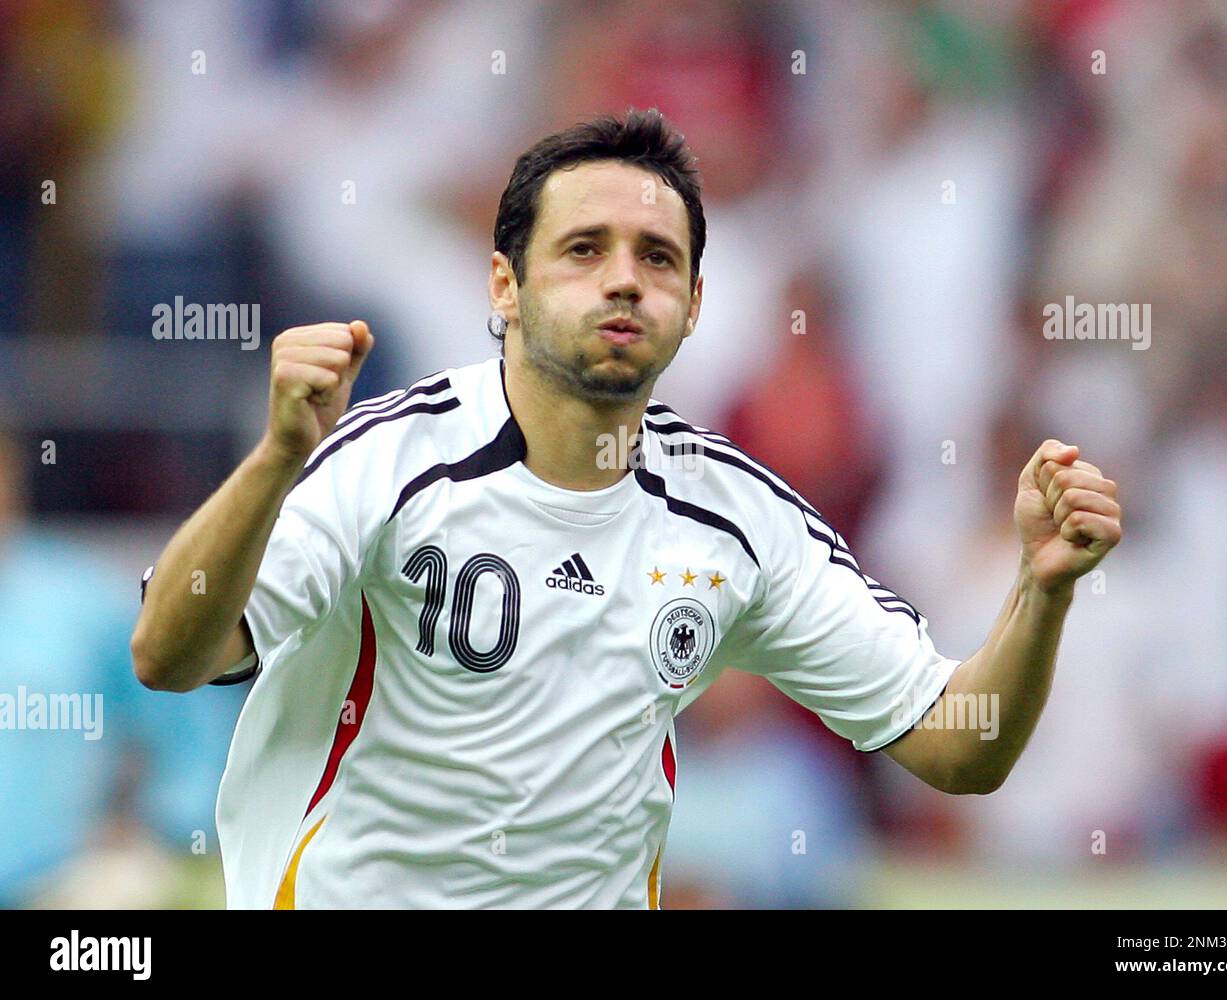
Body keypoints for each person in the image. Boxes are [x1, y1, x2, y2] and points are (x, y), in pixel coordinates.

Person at [130, 107, 1123, 909]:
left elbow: (960, 744)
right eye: (583, 248)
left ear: (693, 303)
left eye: (656, 257)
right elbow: (167, 655)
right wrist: (273, 461)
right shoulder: (384, 462)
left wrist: (1039, 593)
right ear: (505, 287)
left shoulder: (734, 518)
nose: (622, 279)